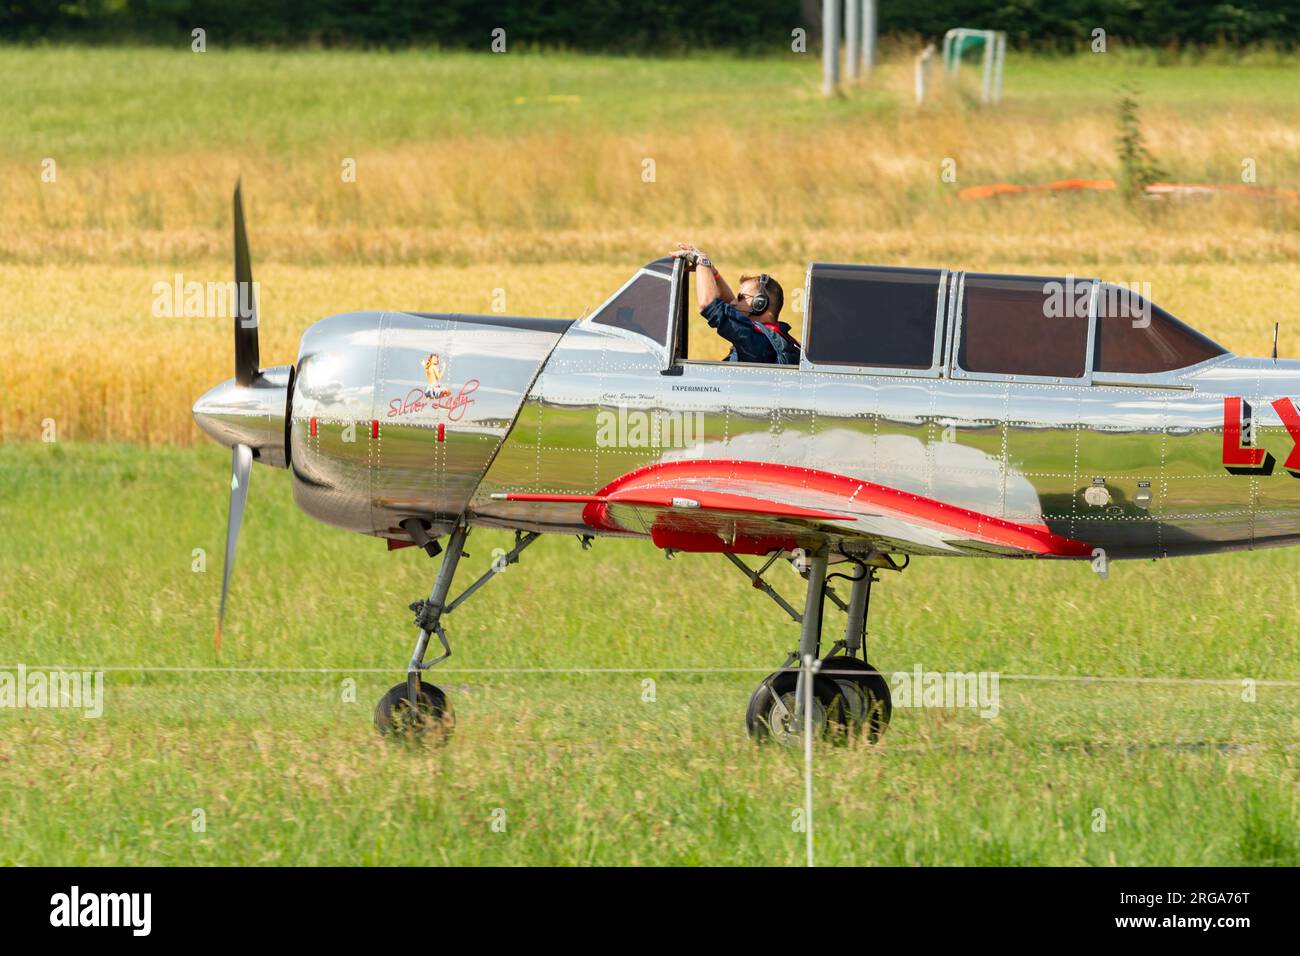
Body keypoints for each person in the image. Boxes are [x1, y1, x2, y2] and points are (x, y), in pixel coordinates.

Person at [671, 243, 800, 365]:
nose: (733, 302)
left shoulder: (756, 340)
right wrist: (713, 273)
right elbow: (733, 312)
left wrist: (702, 261)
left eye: (741, 297)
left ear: (759, 304)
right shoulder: (774, 337)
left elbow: (709, 305)